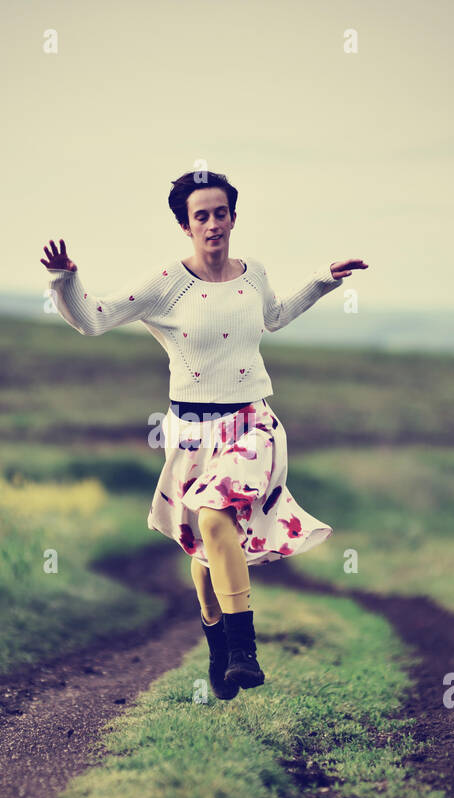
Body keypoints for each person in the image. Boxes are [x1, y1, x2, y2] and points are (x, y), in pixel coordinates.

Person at [40, 170, 367, 700]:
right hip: (191, 434)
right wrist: (64, 281)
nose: (213, 223)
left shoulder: (252, 274)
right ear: (185, 225)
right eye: (201, 216)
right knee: (204, 554)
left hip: (251, 422)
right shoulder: (168, 282)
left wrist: (324, 280)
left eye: (221, 213)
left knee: (216, 516)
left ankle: (244, 653)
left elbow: (276, 316)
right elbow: (94, 320)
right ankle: (217, 639)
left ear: (233, 217)